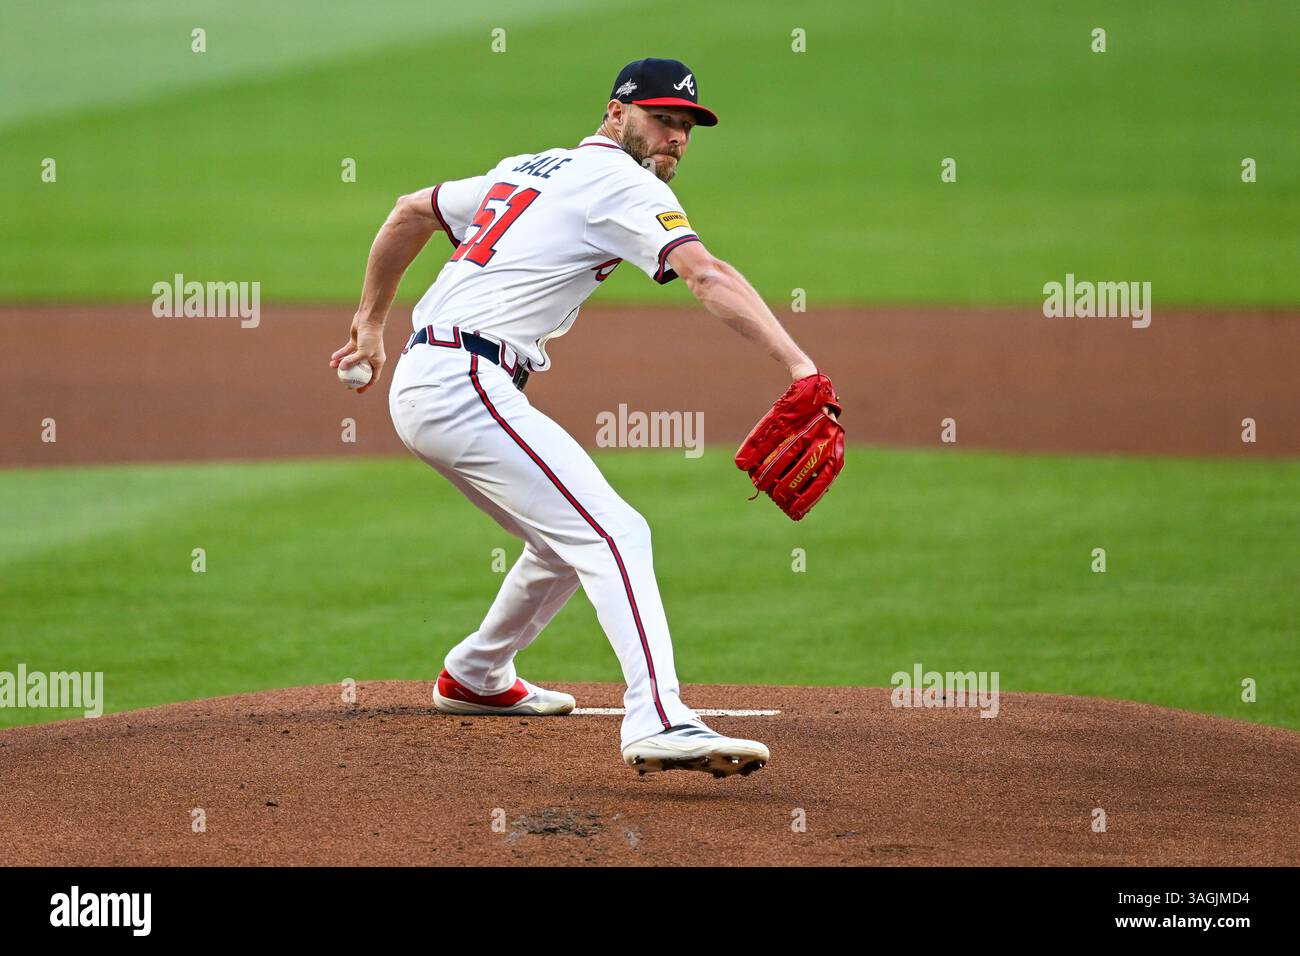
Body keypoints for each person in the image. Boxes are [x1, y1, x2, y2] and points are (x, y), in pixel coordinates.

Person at [330, 58, 821, 778]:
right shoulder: (622, 183)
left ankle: (478, 673)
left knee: (564, 535)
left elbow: (412, 208)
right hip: (463, 382)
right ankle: (658, 718)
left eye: (686, 126)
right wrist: (799, 364)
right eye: (662, 119)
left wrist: (372, 324)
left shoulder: (532, 166)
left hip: (438, 379)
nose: (676, 137)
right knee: (617, 532)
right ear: (615, 113)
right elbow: (705, 274)